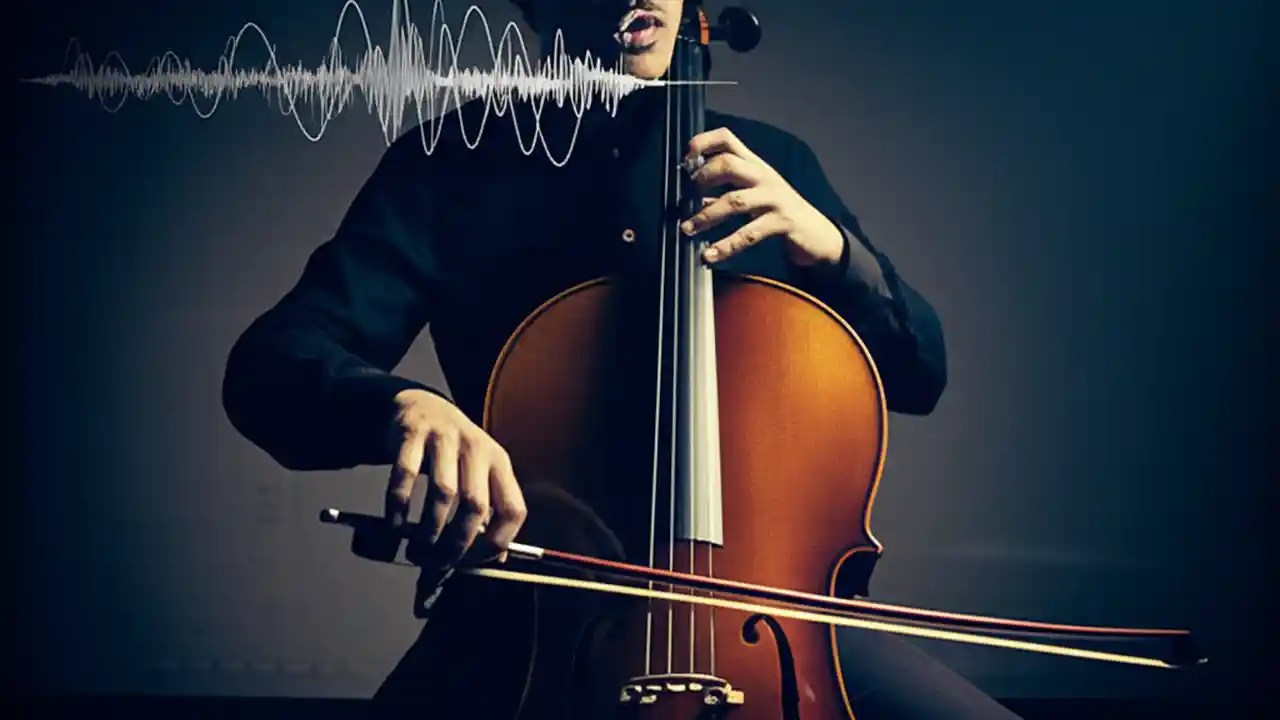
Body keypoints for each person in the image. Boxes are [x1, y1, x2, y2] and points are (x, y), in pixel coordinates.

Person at [221, 1, 1018, 717]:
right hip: (534, 624)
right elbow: (270, 366)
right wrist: (400, 405)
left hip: (784, 622)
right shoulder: (448, 165)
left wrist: (836, 253)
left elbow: (921, 374)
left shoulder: (773, 167)